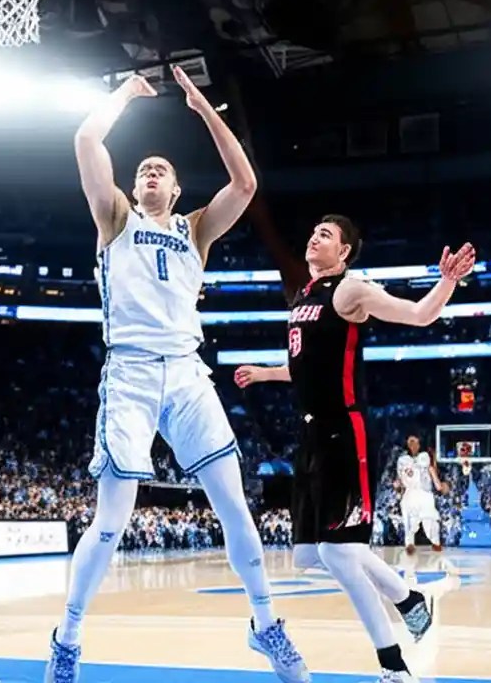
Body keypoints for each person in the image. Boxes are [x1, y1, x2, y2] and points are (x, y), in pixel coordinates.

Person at [46, 68, 307, 683]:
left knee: (237, 508)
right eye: (142, 171)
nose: (149, 173)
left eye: (160, 169)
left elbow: (245, 182)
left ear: (177, 186)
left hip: (188, 375)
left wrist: (202, 108)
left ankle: (266, 626)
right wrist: (123, 98)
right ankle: (68, 637)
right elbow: (88, 142)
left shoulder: (195, 230)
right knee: (110, 523)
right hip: (131, 374)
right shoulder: (115, 217)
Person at [234, 215, 476, 683]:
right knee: (309, 556)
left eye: (326, 234)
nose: (314, 236)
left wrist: (445, 283)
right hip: (310, 435)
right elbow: (302, 367)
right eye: (314, 230)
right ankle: (408, 599)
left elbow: (419, 314)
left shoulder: (351, 291)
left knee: (341, 553)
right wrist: (265, 373)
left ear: (344, 252)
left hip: (344, 433)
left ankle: (394, 665)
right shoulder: (304, 297)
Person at [395, 435, 448, 563]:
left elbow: (432, 473)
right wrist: (398, 487)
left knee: (430, 520)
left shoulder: (425, 458)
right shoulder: (403, 460)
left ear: (419, 444)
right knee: (409, 523)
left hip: (424, 494)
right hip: (410, 494)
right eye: (410, 442)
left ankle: (436, 543)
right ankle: (409, 546)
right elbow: (400, 481)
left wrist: (440, 486)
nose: (413, 445)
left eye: (415, 442)